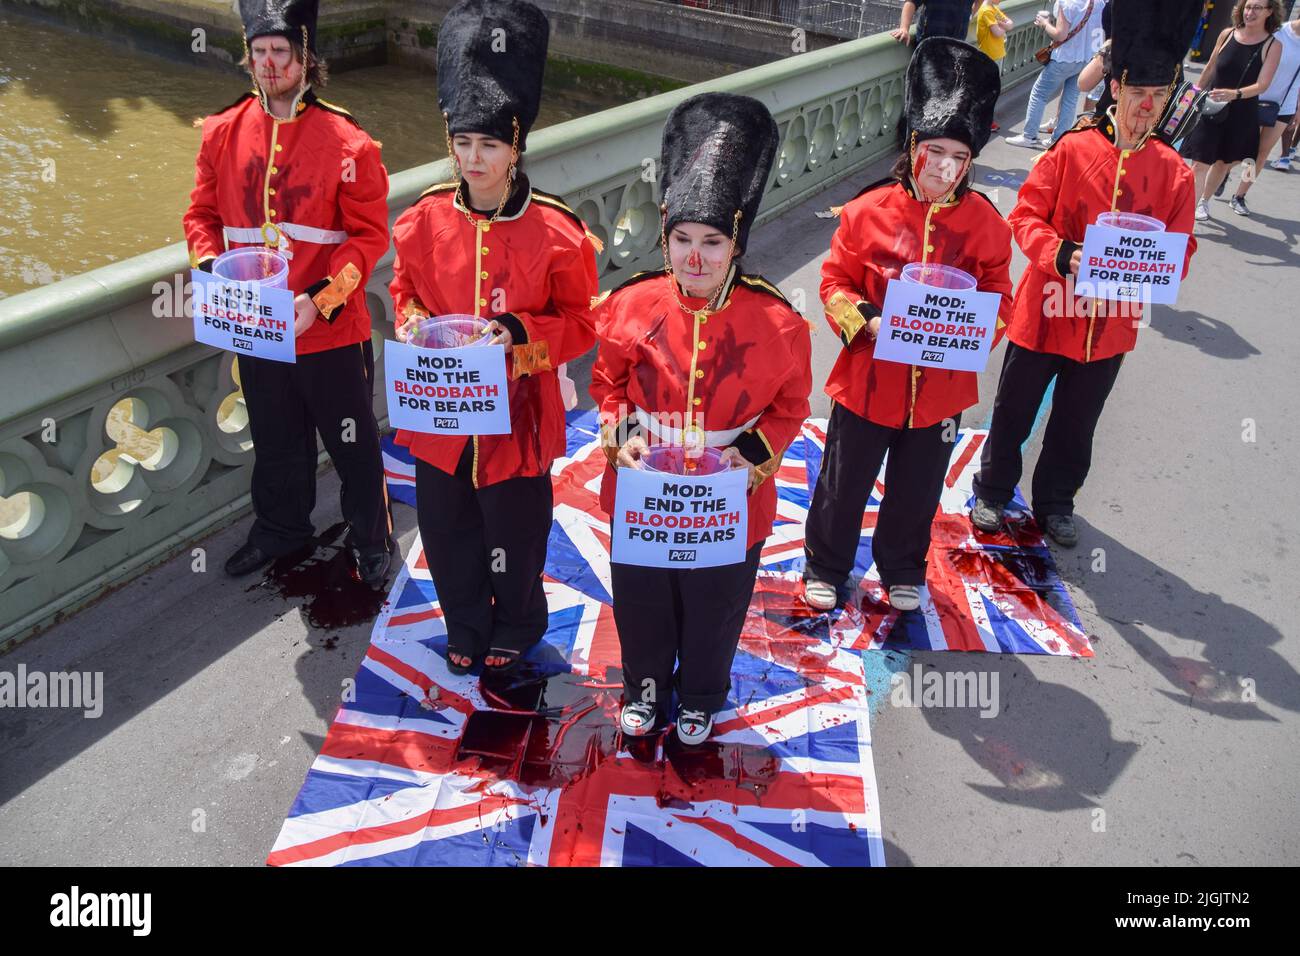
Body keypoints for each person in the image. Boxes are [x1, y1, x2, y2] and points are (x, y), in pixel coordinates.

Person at [590, 93, 811, 745]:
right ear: (664, 235)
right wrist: (622, 439)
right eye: (682, 239)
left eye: (712, 242)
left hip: (729, 496)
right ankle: (646, 690)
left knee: (715, 602)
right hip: (645, 491)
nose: (695, 257)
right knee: (644, 599)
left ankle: (701, 696)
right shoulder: (633, 304)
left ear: (736, 241)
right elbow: (609, 383)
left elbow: (791, 403)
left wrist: (755, 451)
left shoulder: (777, 321)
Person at [389, 0, 599, 674]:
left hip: (519, 418)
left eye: (491, 146)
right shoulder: (419, 222)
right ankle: (465, 623)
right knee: (447, 530)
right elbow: (405, 295)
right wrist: (413, 323)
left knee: (514, 531)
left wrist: (517, 337)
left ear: (516, 147)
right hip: (441, 415)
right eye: (463, 143)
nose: (474, 160)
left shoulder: (560, 233)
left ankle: (515, 622)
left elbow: (580, 328)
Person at [971, 0, 1202, 549]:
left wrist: (1159, 264)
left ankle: (1056, 503)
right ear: (1116, 89)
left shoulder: (1174, 172)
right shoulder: (1072, 148)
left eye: (1160, 98)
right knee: (1014, 411)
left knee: (1078, 424)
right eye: (1140, 95)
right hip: (1045, 312)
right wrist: (1062, 254)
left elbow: (1183, 245)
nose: (1148, 108)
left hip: (1110, 327)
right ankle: (994, 489)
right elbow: (1025, 215)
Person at [183, 0, 394, 585]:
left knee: (351, 444)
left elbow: (369, 240)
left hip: (328, 327)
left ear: (305, 58)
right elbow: (200, 215)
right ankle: (280, 529)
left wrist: (321, 298)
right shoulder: (222, 132)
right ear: (248, 57)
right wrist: (208, 265)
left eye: (281, 52)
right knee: (275, 439)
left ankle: (373, 537)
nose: (270, 64)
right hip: (254, 321)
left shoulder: (350, 143)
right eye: (259, 52)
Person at [802, 38, 1012, 616]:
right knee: (844, 482)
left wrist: (971, 331)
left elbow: (1001, 299)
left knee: (918, 489)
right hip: (869, 380)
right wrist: (862, 319)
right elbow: (832, 284)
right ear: (913, 146)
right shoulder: (867, 211)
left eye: (958, 157)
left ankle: (902, 566)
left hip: (941, 391)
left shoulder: (988, 226)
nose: (944, 167)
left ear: (970, 164)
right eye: (934, 151)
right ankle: (825, 563)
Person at [1184, 0, 1284, 219]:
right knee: (1199, 162)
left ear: (1269, 12)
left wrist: (1234, 94)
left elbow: (1262, 85)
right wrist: (1194, 96)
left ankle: (1204, 201)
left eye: (1257, 8)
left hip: (1241, 111)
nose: (1250, 12)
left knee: (1222, 162)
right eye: (1248, 7)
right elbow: (1210, 68)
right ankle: (1186, 214)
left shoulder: (1272, 45)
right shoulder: (1227, 34)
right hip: (1212, 107)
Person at [1007, 0, 1108, 149]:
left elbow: (1060, 35)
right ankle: (1058, 139)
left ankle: (1029, 136)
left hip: (1065, 57)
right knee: (1071, 99)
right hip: (1086, 58)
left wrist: (1044, 23)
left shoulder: (1067, 2)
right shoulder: (1100, 2)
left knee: (1039, 93)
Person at [1236, 11, 1300, 191]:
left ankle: (1240, 195)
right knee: (1245, 150)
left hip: (1284, 105)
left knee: (1261, 154)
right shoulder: (1279, 32)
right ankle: (1222, 174)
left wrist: (1298, 108)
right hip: (1258, 99)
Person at [975, 0, 1014, 129]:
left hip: (997, 54)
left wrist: (1000, 25)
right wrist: (1003, 26)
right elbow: (997, 32)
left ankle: (985, 120)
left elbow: (1011, 25)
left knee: (991, 89)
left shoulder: (993, 8)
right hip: (989, 55)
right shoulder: (986, 10)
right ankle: (984, 121)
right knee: (988, 90)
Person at [891, 1, 981, 44]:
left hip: (956, 42)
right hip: (930, 42)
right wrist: (904, 28)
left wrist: (970, 15)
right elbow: (911, 3)